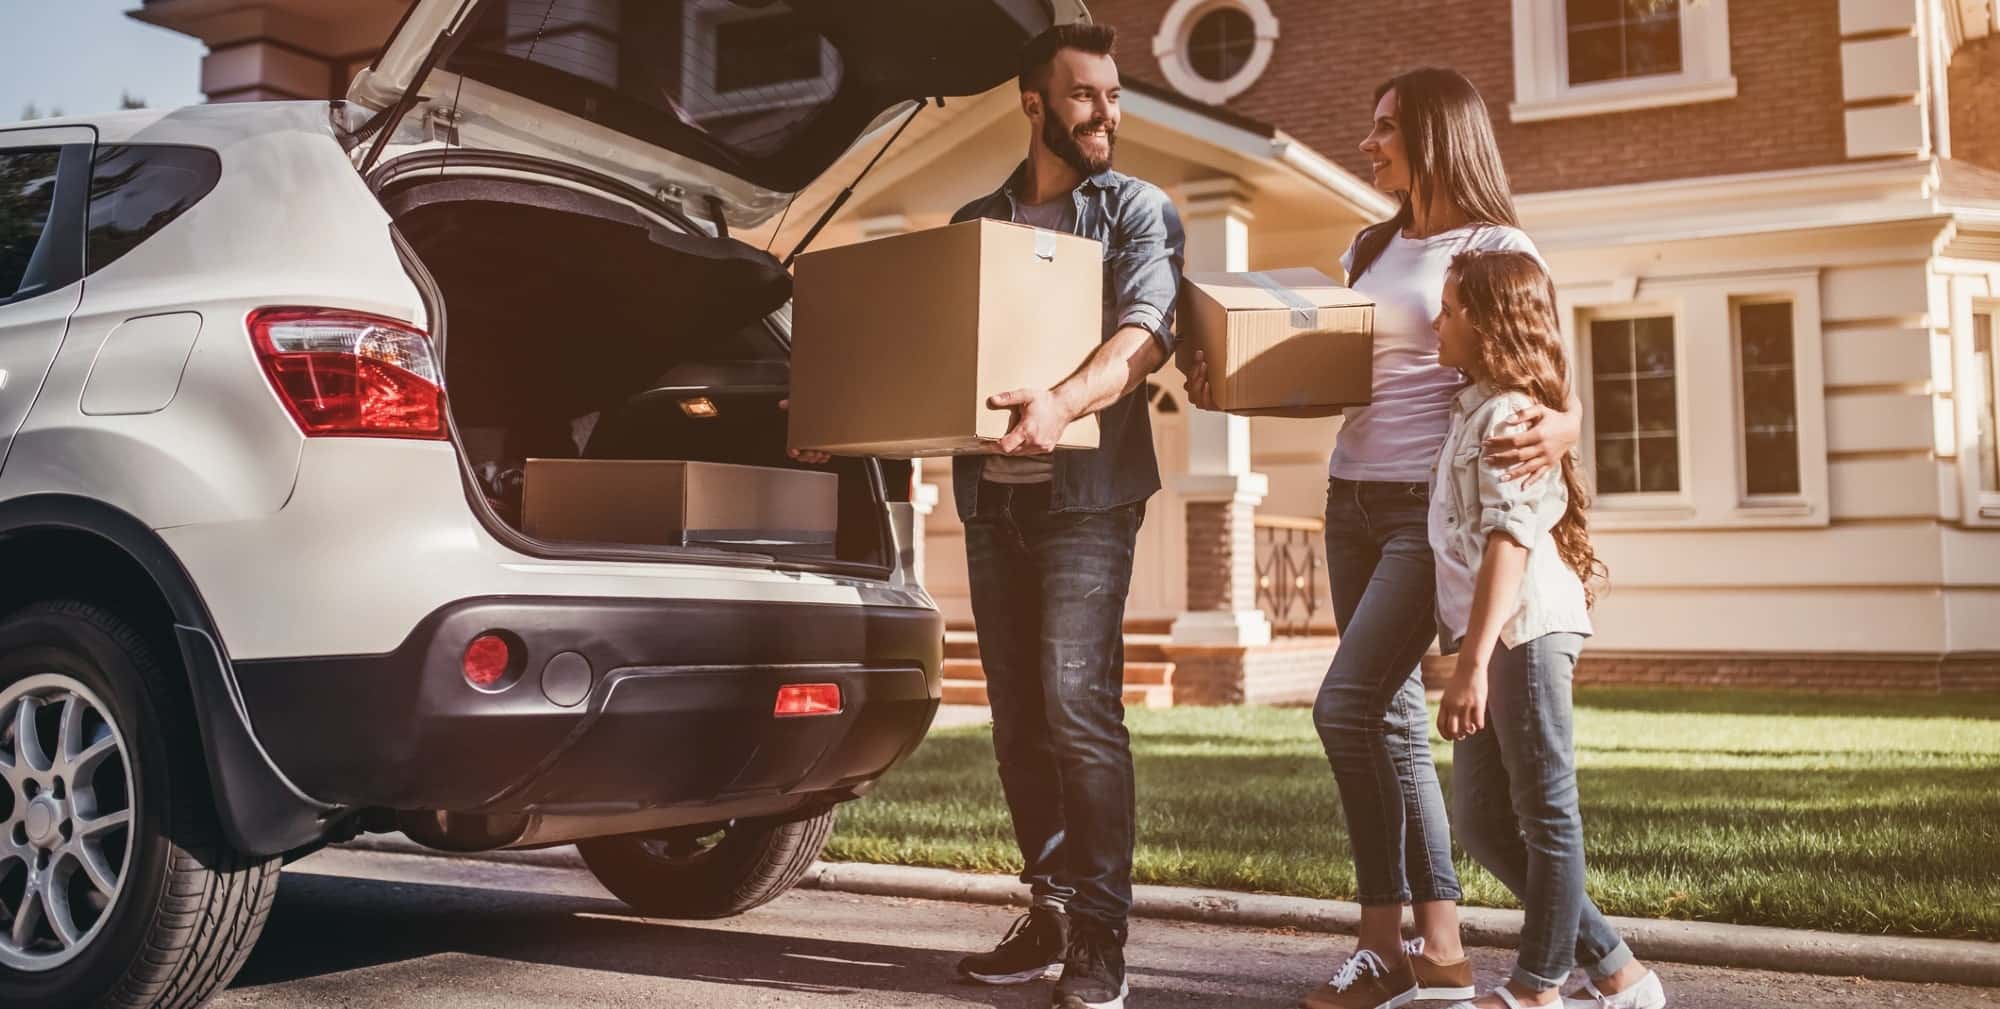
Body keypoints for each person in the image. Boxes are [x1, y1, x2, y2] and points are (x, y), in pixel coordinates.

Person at [1186, 68, 1580, 1009]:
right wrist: (1228, 386)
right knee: (1392, 719)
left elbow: (1538, 366)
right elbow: (1348, 379)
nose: (1369, 144)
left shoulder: (1497, 244)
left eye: (1385, 128)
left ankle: (1385, 941)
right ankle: (1435, 950)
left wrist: (1565, 428)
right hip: (1349, 498)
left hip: (1422, 510)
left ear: (1437, 134)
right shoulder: (1372, 244)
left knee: (1345, 707)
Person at [941, 23, 1185, 1009]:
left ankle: (1097, 933)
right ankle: (1047, 903)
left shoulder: (1135, 210)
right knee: (1016, 720)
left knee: (1077, 710)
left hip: (1086, 504)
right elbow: (932, 354)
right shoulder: (978, 222)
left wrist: (1058, 401)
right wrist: (848, 420)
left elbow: (1144, 332)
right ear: (1034, 105)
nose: (1106, 115)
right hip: (990, 507)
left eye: (1113, 96)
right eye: (1084, 96)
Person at [1429, 250, 1666, 1009]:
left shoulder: (1509, 418)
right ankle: (1619, 970)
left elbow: (1509, 540)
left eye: (1448, 310)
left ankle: (1536, 989)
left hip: (1523, 629)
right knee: (1481, 820)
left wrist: (1470, 662)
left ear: (1486, 324)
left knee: (1545, 810)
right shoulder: (1476, 406)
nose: (1437, 322)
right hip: (1499, 632)